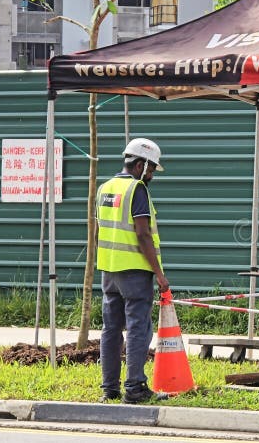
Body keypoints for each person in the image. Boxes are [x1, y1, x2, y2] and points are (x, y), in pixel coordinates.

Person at [96, 138, 169, 404]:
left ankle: (109, 389)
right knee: (139, 328)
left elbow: (98, 231)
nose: (151, 176)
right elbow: (142, 234)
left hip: (109, 270)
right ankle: (135, 388)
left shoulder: (105, 187)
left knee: (111, 329)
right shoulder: (136, 189)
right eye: (150, 170)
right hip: (135, 272)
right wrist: (159, 274)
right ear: (140, 164)